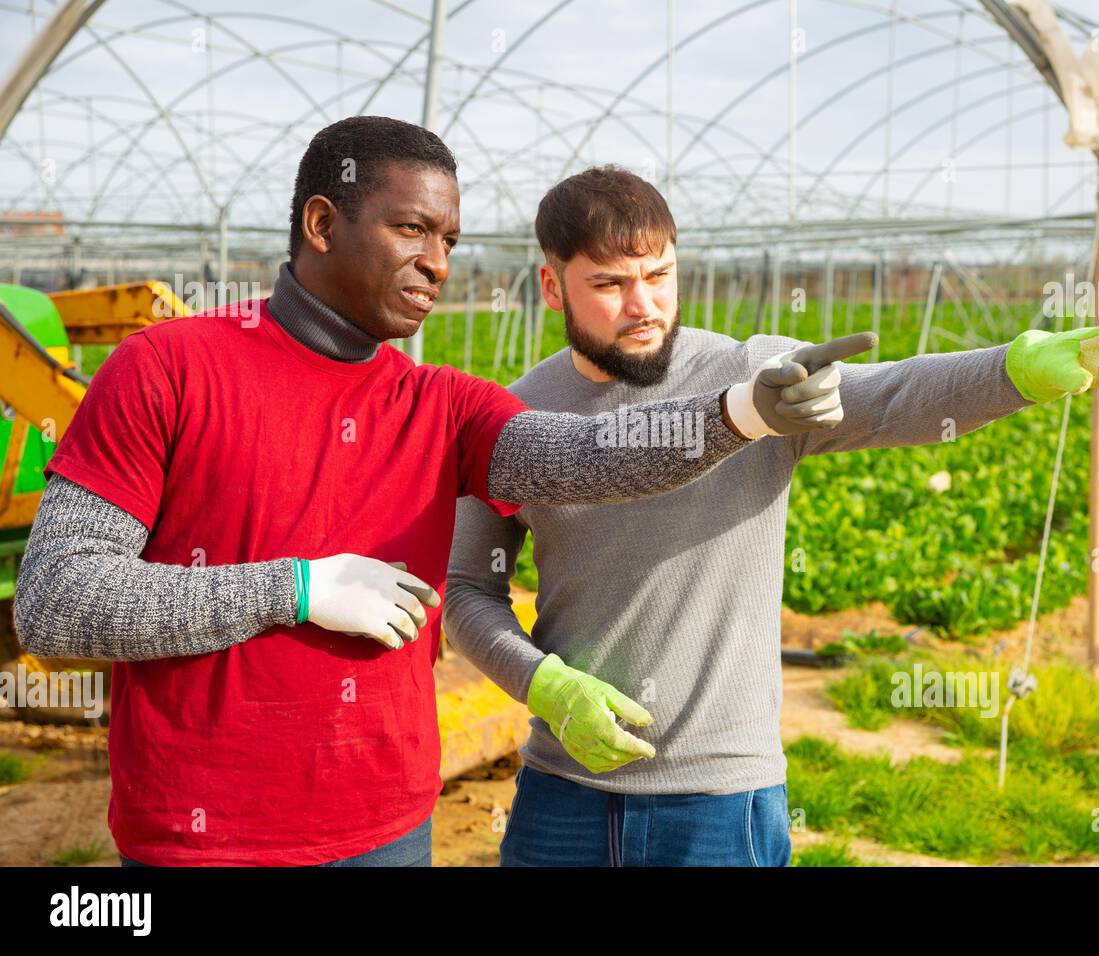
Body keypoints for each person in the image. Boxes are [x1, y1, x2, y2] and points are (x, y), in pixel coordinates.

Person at [11, 118, 862, 867]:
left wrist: (740, 410)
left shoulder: (439, 403)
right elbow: (57, 601)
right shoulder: (169, 368)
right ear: (321, 222)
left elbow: (590, 454)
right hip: (207, 838)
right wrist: (296, 588)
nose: (437, 263)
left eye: (449, 241)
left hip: (389, 830)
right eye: (411, 229)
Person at [443, 164, 1099, 867]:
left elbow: (893, 396)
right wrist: (545, 686)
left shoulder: (758, 380)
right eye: (609, 284)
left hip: (722, 796)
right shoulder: (514, 419)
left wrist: (1020, 369)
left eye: (659, 275)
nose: (644, 307)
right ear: (550, 286)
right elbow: (471, 590)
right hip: (562, 796)